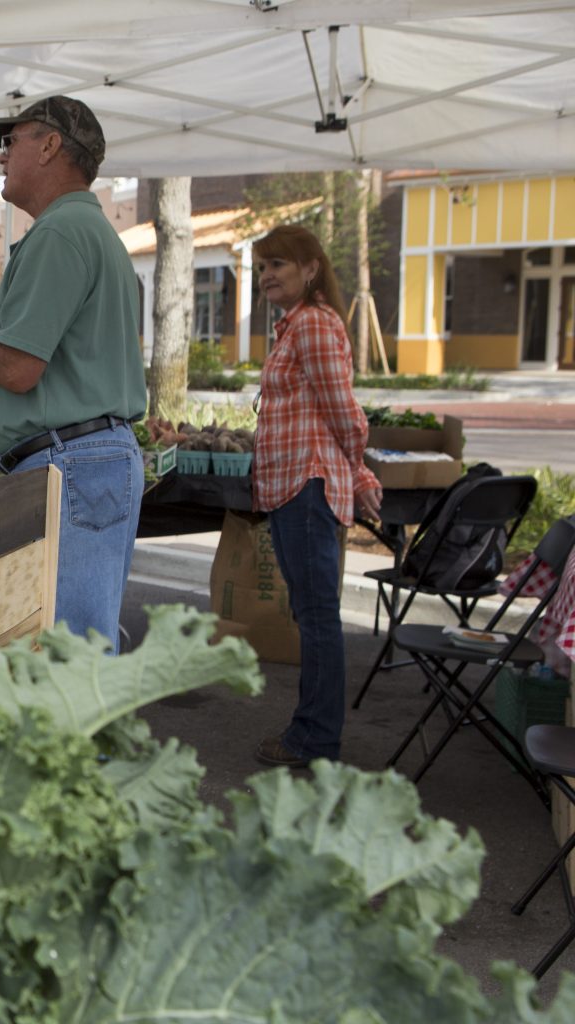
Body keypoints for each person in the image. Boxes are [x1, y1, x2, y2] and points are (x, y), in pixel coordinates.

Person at [0, 96, 146, 650]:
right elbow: (60, 345)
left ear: (49, 146)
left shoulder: (58, 234)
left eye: (10, 141)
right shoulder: (84, 229)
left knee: (71, 659)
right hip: (88, 458)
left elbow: (19, 371)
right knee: (82, 652)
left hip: (73, 462)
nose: (0, 157)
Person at [250, 224, 382, 770]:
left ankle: (314, 740)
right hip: (290, 487)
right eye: (261, 267)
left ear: (310, 267)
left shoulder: (314, 325)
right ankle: (312, 733)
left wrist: (358, 472)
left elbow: (343, 412)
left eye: (277, 264)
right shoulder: (295, 326)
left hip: (307, 485)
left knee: (319, 617)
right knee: (313, 615)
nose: (266, 276)